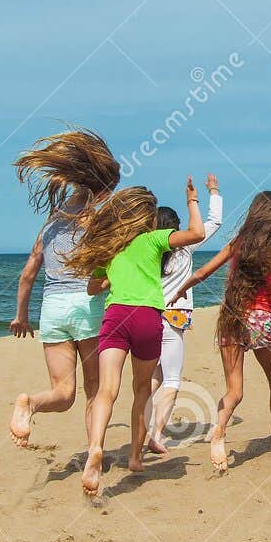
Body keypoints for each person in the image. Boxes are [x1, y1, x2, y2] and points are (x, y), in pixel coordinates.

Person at [70, 181, 209, 500]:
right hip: (147, 318)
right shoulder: (155, 239)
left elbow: (92, 288)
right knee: (142, 389)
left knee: (106, 390)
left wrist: (108, 279)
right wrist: (192, 200)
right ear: (147, 217)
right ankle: (135, 456)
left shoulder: (111, 247)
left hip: (116, 316)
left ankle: (95, 448)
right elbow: (198, 233)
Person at [8, 129, 121, 447]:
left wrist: (21, 316)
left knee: (63, 392)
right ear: (100, 188)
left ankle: (30, 403)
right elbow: (110, 267)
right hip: (87, 308)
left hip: (53, 310)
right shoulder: (96, 221)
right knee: (95, 388)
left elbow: (28, 274)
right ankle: (94, 449)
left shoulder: (50, 225)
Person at [182, 191, 271, 473]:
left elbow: (202, 274)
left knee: (234, 390)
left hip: (232, 320)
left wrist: (178, 291)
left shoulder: (239, 244)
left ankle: (220, 429)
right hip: (262, 321)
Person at [146, 175, 223, 453]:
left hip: (150, 317)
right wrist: (211, 191)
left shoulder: (149, 252)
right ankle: (156, 434)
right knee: (173, 379)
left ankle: (142, 425)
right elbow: (213, 223)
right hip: (173, 318)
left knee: (155, 374)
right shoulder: (184, 247)